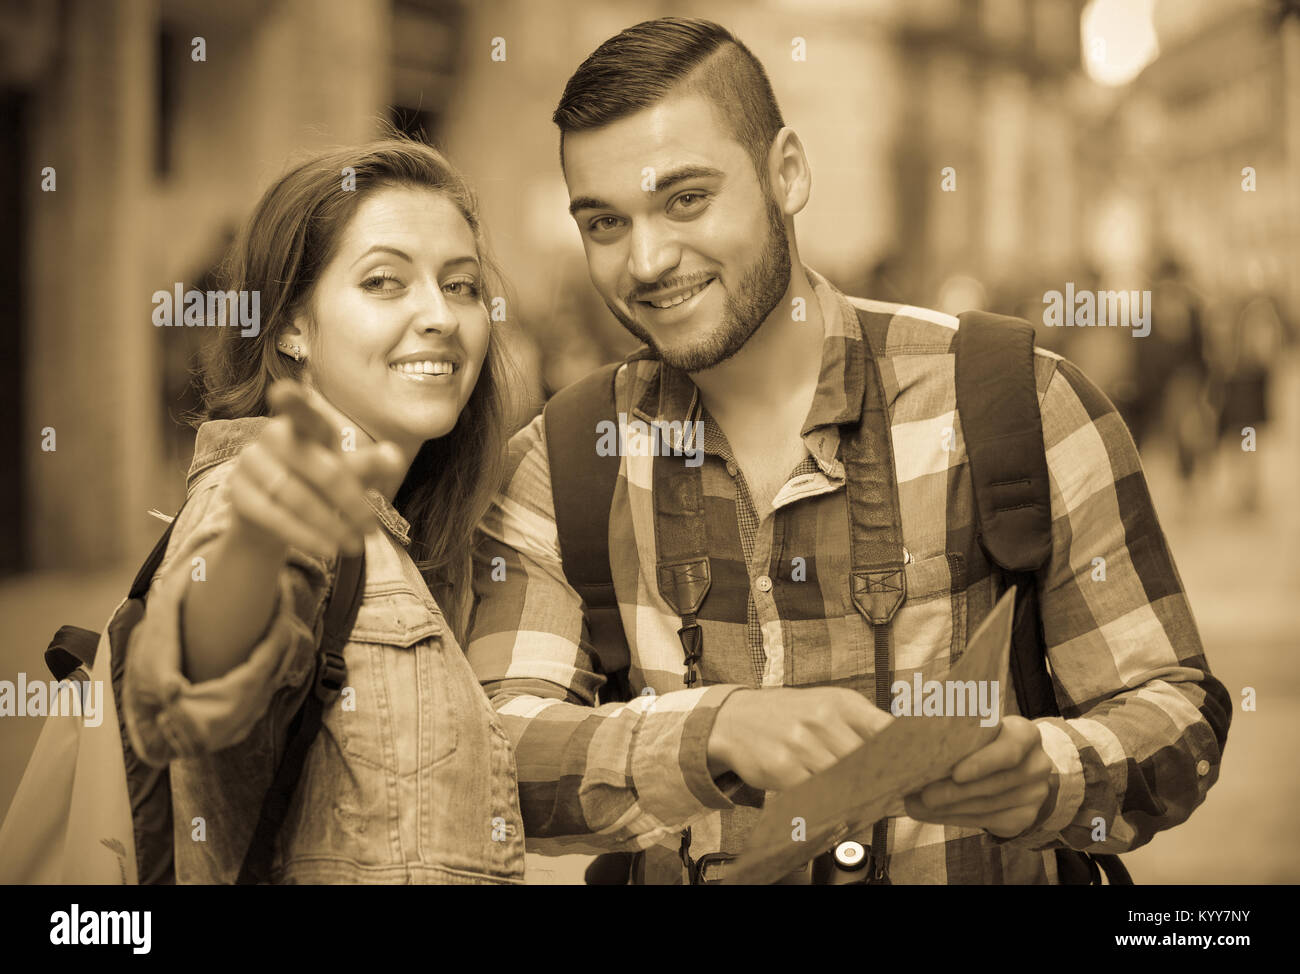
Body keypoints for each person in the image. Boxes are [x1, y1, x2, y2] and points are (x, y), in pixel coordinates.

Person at [466, 18, 1230, 884]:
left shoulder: (1019, 400)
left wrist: (1045, 773)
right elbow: (495, 757)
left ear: (786, 172)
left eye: (686, 200)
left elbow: (1179, 717)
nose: (647, 260)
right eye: (605, 223)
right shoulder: (563, 461)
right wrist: (714, 730)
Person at [123, 138, 527, 884]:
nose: (440, 315)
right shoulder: (260, 504)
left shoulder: (410, 539)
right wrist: (256, 540)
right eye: (384, 282)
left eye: (462, 286)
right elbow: (192, 673)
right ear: (290, 326)